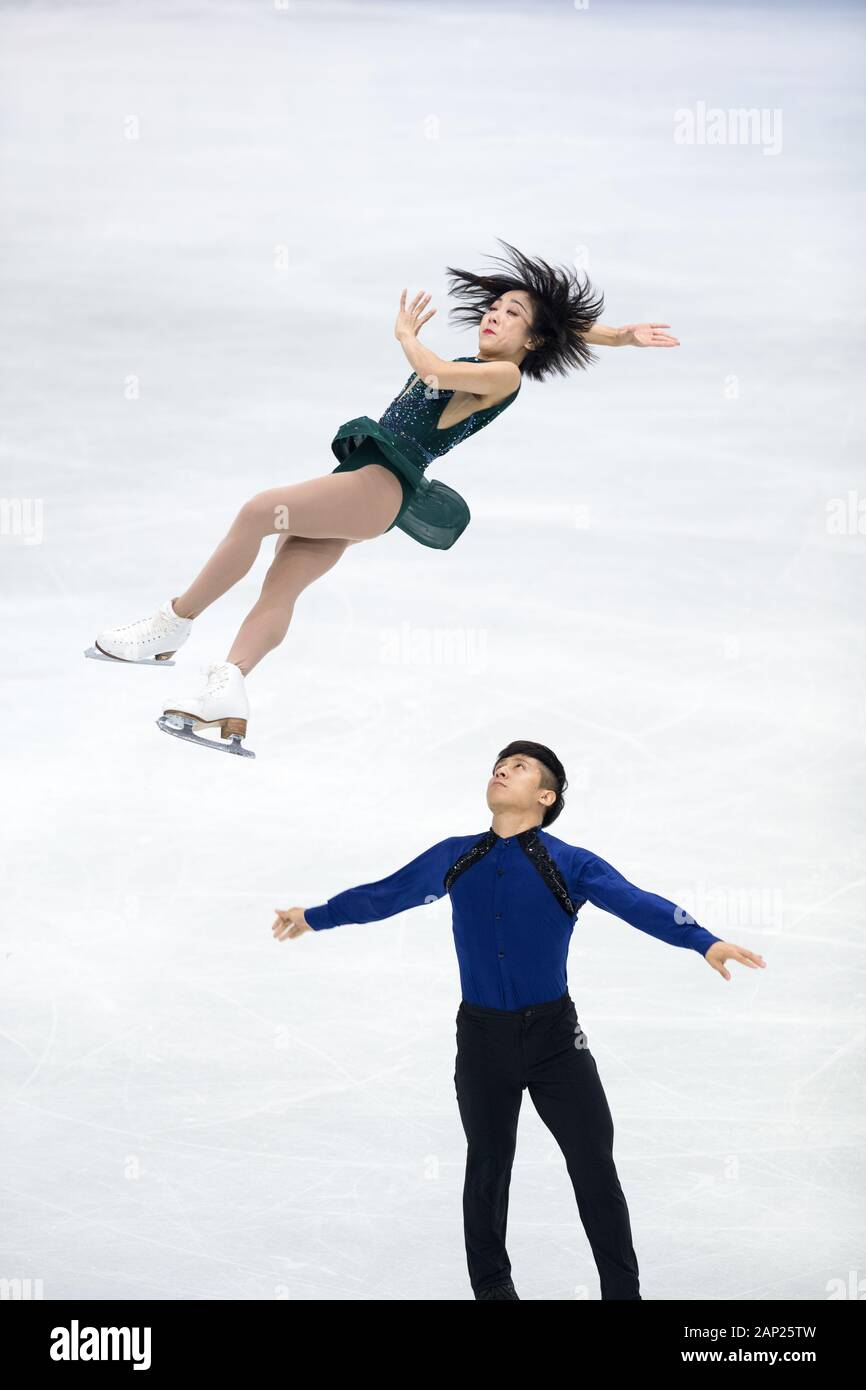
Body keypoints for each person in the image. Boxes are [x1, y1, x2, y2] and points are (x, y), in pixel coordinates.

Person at [85, 241, 680, 754]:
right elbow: (535, 335)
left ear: (535, 336)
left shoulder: (503, 377)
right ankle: (227, 689)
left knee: (259, 510)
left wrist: (405, 337)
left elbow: (435, 375)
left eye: (512, 312)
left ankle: (171, 625)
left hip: (380, 486)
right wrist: (617, 336)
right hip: (366, 482)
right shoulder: (496, 360)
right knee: (282, 581)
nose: (494, 316)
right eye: (494, 306)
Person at [271, 741, 766, 1300]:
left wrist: (703, 940)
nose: (503, 770)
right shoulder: (456, 856)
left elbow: (635, 901)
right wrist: (314, 917)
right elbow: (387, 894)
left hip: (557, 1039)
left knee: (593, 1166)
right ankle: (494, 1292)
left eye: (520, 767)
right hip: (482, 1038)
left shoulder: (570, 863)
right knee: (487, 1168)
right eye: (500, 765)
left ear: (546, 796)